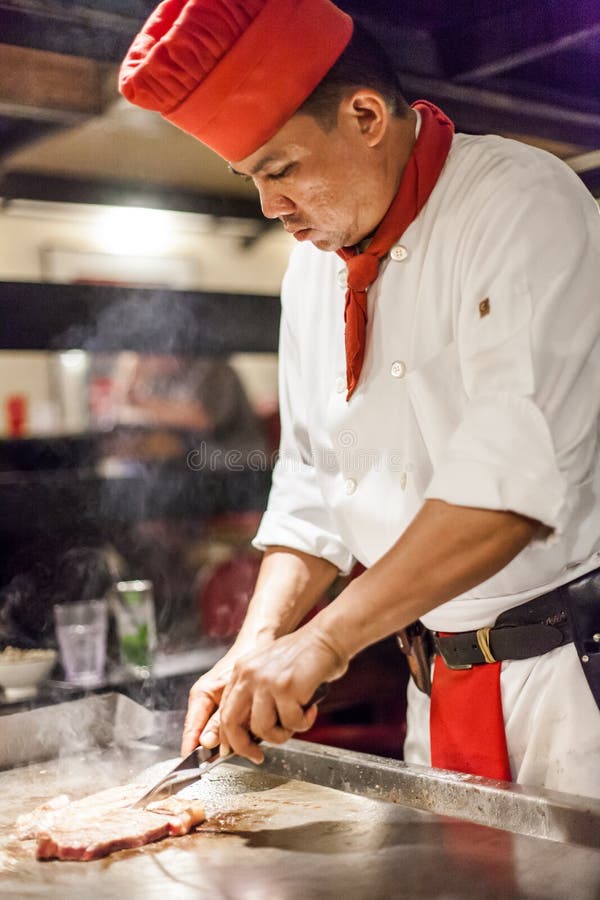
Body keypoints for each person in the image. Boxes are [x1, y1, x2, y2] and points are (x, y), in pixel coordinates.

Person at [119, 0, 600, 797]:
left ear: (367, 114)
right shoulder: (311, 272)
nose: (270, 209)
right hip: (430, 677)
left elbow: (510, 488)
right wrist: (258, 642)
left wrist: (325, 642)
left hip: (568, 682)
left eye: (281, 170)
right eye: (253, 180)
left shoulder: (520, 204)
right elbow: (313, 481)